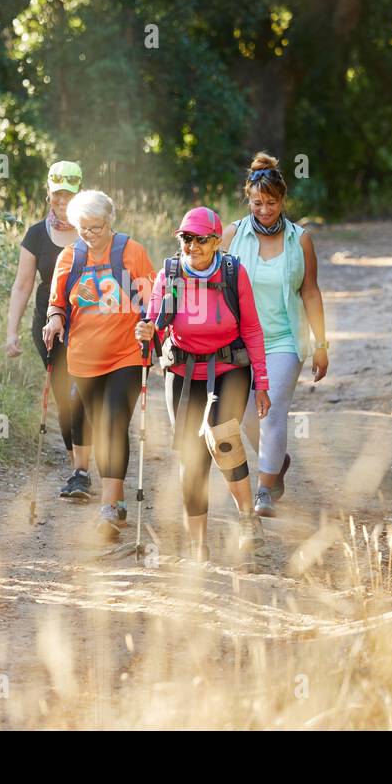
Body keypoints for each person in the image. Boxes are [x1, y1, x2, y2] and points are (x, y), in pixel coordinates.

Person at [137, 207, 271, 562]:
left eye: (200, 239)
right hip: (183, 371)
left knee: (223, 437)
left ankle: (247, 520)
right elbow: (154, 318)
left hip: (230, 366)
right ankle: (198, 545)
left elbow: (253, 329)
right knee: (192, 458)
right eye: (186, 238)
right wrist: (146, 329)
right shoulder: (170, 273)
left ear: (215, 241)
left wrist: (262, 382)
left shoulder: (233, 273)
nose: (192, 246)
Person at [41, 189, 155, 540]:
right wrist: (55, 320)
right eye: (84, 229)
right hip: (83, 359)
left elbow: (153, 302)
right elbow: (57, 303)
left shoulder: (131, 252)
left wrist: (150, 325)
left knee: (112, 423)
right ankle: (117, 501)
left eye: (97, 227)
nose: (91, 235)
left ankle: (107, 510)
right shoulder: (69, 258)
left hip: (126, 354)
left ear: (110, 221)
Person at [222, 152, 329, 518]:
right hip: (238, 341)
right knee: (245, 415)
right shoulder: (232, 235)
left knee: (272, 411)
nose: (264, 210)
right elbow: (209, 282)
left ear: (283, 201)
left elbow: (310, 291)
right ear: (248, 199)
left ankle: (264, 490)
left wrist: (321, 344)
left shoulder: (301, 240)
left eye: (271, 203)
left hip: (284, 339)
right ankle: (276, 460)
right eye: (257, 203)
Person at [6, 160, 93, 499]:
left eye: (69, 194)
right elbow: (22, 285)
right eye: (57, 194)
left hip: (90, 328)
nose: (62, 201)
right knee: (66, 397)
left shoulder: (92, 231)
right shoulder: (36, 234)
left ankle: (86, 466)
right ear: (49, 193)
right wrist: (11, 332)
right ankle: (79, 471)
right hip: (49, 329)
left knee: (84, 394)